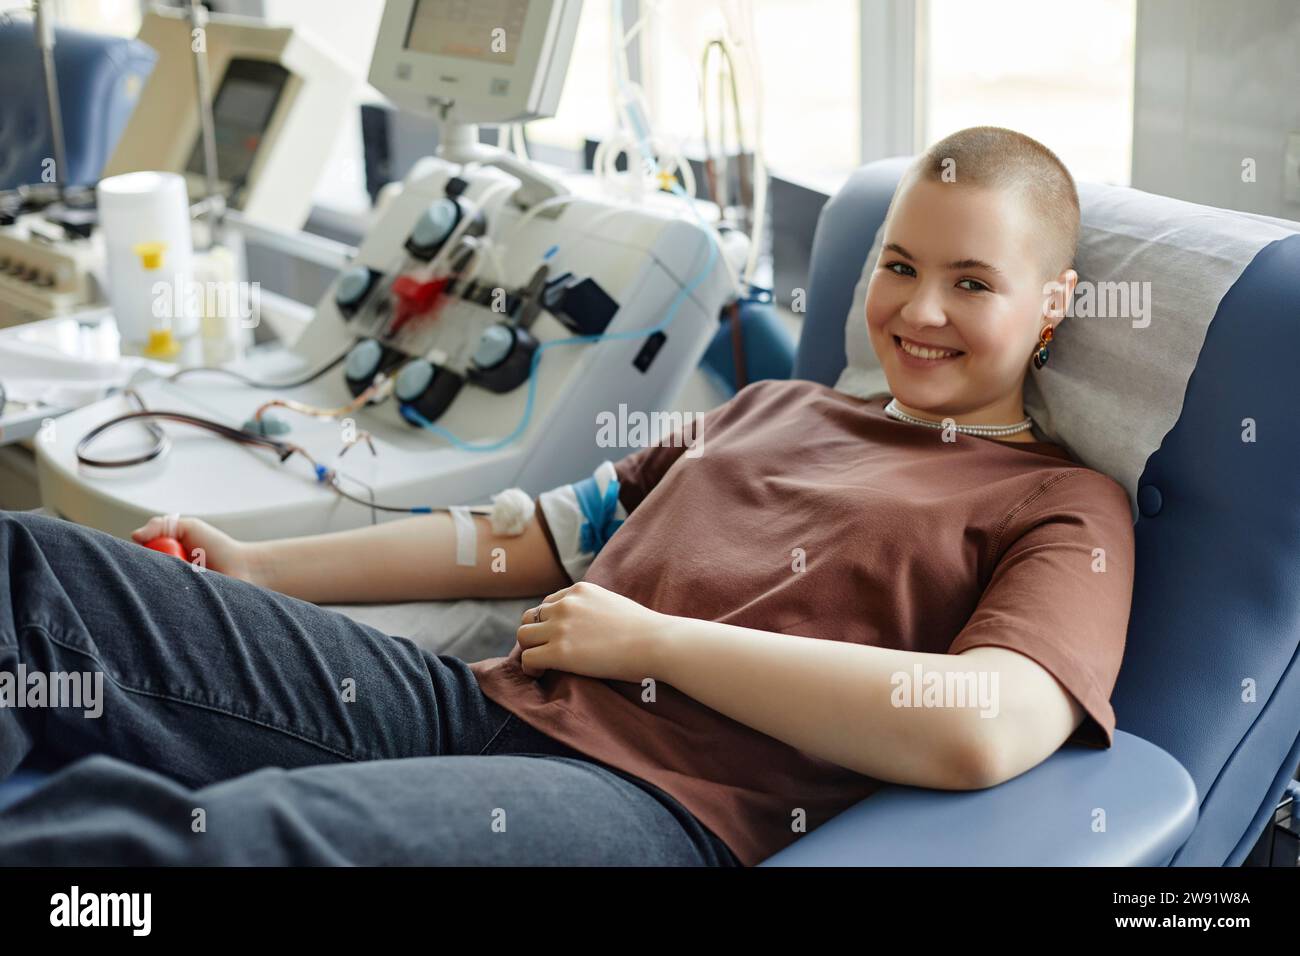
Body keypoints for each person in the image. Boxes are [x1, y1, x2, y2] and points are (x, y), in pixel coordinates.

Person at [0, 126, 1134, 866]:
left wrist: (656, 641)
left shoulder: (1060, 504)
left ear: (1052, 304)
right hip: (479, 707)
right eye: (899, 265)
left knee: (236, 846)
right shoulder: (773, 408)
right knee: (34, 569)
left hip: (661, 803)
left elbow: (983, 725)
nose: (918, 310)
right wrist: (255, 566)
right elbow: (526, 540)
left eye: (972, 282)